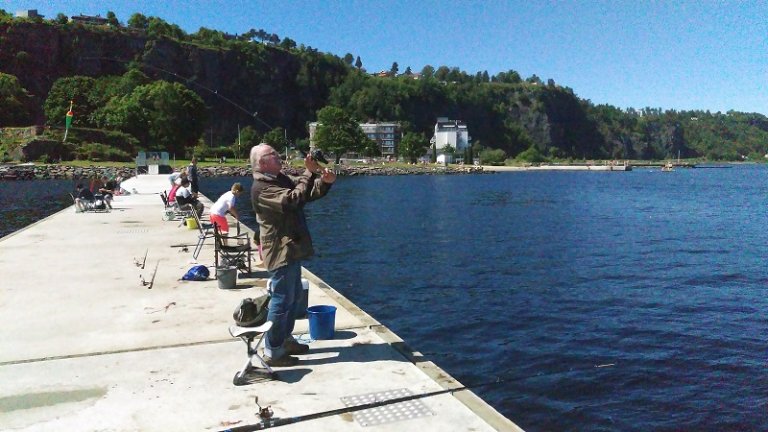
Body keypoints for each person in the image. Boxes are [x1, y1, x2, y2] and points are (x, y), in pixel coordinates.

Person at [250, 143, 336, 367]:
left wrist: (323, 183)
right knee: (281, 300)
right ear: (262, 163)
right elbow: (292, 200)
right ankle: (273, 350)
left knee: (294, 295)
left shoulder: (278, 179)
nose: (279, 158)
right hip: (279, 250)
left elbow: (304, 194)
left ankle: (285, 340)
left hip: (291, 247)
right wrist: (308, 171)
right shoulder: (262, 188)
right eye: (274, 155)